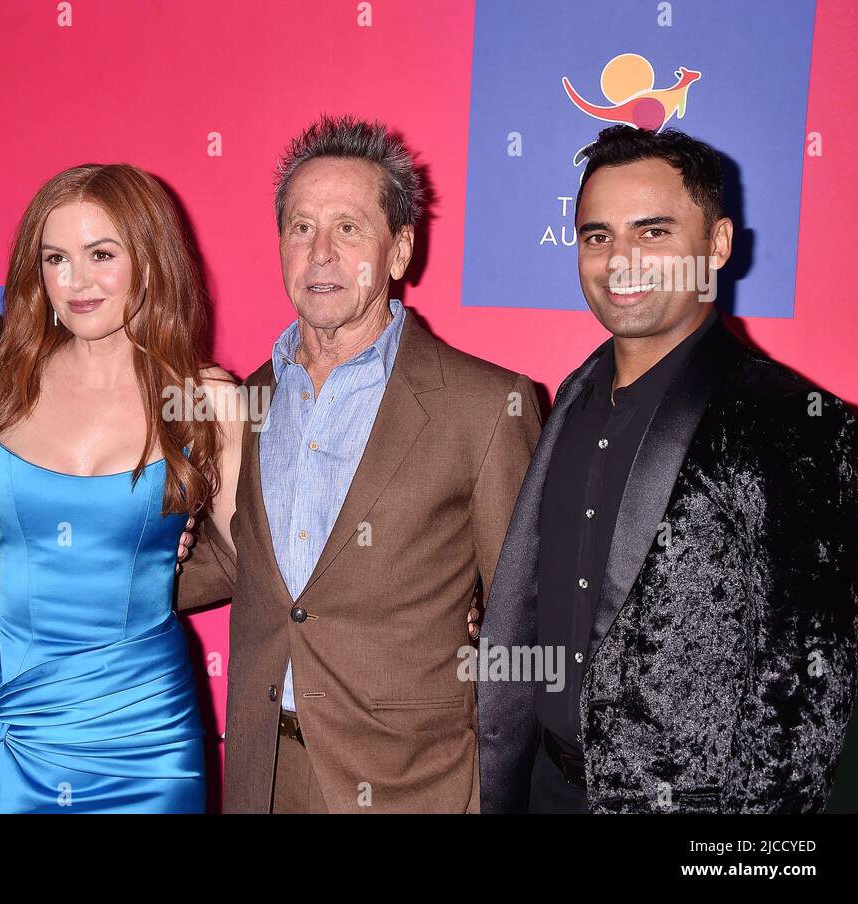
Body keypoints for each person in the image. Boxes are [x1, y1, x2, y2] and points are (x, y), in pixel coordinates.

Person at [478, 126, 858, 813]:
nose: (619, 259)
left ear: (716, 244)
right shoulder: (570, 397)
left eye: (652, 232)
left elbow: (806, 708)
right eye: (597, 236)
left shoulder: (794, 423)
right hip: (542, 788)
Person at [170, 115, 542, 812]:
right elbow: (235, 565)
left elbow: (523, 626)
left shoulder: (489, 407)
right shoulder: (244, 402)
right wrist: (82, 574)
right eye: (301, 228)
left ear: (400, 249)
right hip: (263, 777)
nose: (320, 253)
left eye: (349, 227)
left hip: (413, 788)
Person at [0, 163, 242, 813]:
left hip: (146, 737)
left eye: (101, 254)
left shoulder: (207, 400)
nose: (76, 280)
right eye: (56, 258)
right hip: (9, 728)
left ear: (150, 259)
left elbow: (268, 572)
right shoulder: (0, 386)